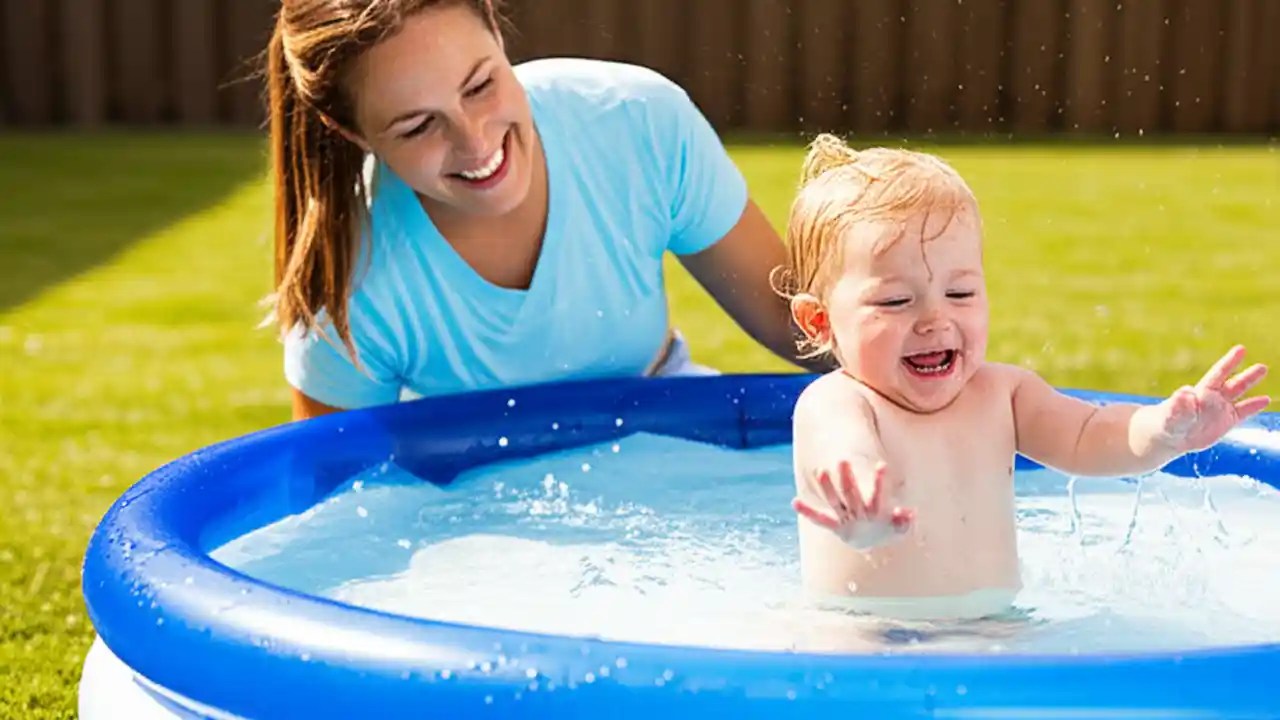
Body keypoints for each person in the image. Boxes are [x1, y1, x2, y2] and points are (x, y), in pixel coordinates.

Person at [774, 133, 1270, 621]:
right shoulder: (837, 403)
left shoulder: (1002, 393)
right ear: (819, 320)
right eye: (895, 301)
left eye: (961, 293)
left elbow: (1089, 436)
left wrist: (1162, 431)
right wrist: (862, 510)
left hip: (994, 624)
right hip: (862, 629)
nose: (934, 320)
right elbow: (848, 454)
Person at [265, 0, 827, 420]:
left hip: (663, 427)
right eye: (418, 125)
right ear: (351, 132)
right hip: (469, 492)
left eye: (480, 84)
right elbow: (338, 493)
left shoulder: (636, 124)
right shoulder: (345, 286)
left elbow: (794, 324)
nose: (476, 141)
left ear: (495, 26)